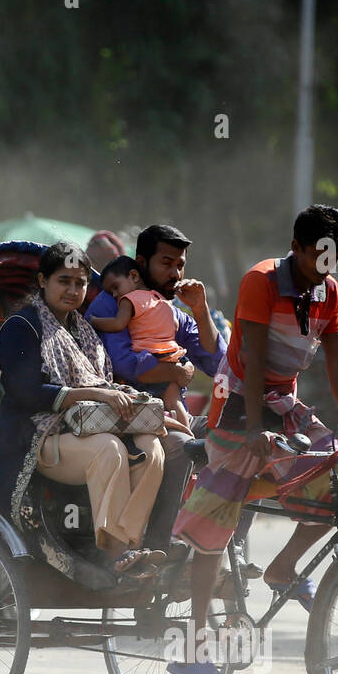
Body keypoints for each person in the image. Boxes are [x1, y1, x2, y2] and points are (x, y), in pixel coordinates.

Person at [171, 205, 338, 674]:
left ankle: (282, 567)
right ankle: (193, 645)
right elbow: (251, 358)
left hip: (282, 401)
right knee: (218, 519)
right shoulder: (262, 280)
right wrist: (254, 428)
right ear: (297, 248)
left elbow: (337, 360)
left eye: (336, 255)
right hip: (237, 403)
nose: (328, 263)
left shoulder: (330, 291)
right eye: (321, 253)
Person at [0, 241, 168, 575]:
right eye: (64, 281)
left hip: (92, 427)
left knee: (152, 447)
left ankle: (131, 542)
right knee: (109, 449)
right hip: (40, 437)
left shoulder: (84, 329)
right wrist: (94, 395)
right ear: (43, 281)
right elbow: (25, 392)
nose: (73, 290)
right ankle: (114, 553)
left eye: (80, 282)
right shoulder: (21, 326)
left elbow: (105, 383)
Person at [85, 224, 224, 553]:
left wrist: (202, 311)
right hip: (126, 417)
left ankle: (219, 549)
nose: (175, 273)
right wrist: (175, 372)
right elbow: (125, 365)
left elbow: (218, 365)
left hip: (174, 414)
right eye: (166, 263)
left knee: (240, 439)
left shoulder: (176, 314)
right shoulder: (113, 303)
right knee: (180, 447)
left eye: (180, 264)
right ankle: (160, 547)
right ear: (141, 263)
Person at [87, 254, 191, 423]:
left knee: (149, 406)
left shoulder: (128, 300)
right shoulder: (160, 299)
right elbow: (175, 325)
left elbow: (118, 324)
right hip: (172, 356)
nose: (114, 295)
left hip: (150, 360)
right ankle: (189, 438)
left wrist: (94, 321)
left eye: (115, 287)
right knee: (175, 404)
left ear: (134, 276)